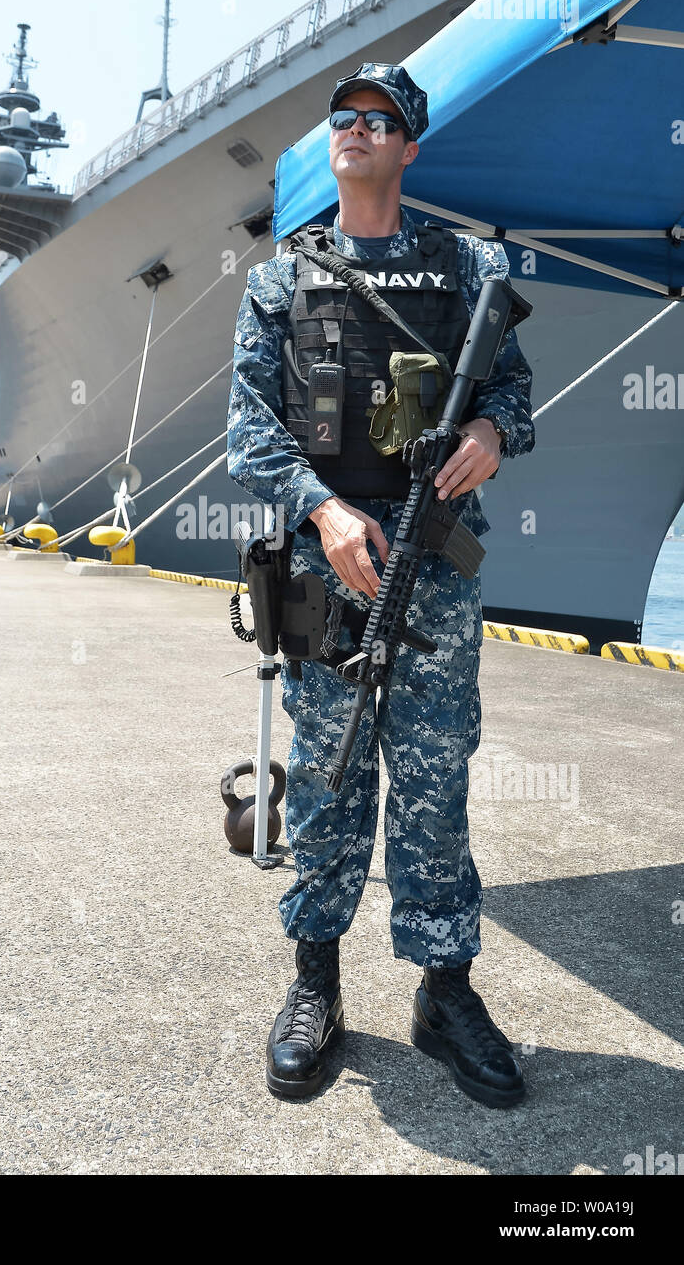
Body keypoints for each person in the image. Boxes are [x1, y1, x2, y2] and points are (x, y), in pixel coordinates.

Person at [227, 63, 535, 1109]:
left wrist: (492, 430)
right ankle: (315, 985)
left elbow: (512, 389)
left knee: (435, 781)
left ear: (409, 147)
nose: (357, 131)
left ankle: (444, 993)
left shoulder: (464, 267)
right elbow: (249, 430)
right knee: (326, 777)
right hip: (327, 565)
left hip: (435, 567)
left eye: (380, 121)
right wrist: (322, 508)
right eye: (343, 119)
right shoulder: (280, 279)